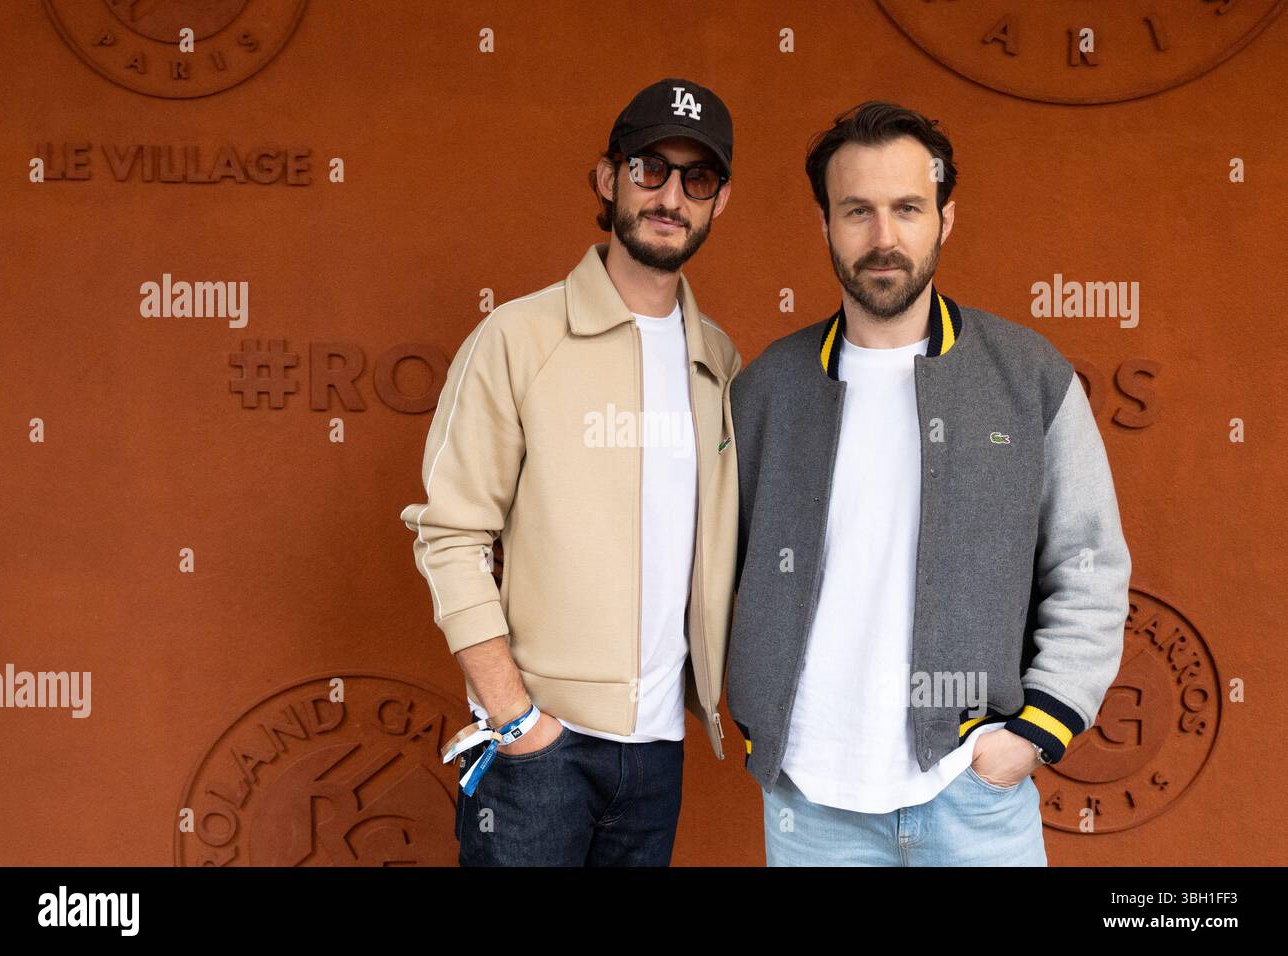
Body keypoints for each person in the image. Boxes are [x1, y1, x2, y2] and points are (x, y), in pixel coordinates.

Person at [726, 101, 1132, 866]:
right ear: (825, 226)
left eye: (908, 208)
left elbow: (1090, 565)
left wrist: (1034, 733)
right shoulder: (767, 390)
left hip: (972, 790)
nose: (884, 238)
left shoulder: (1027, 376)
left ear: (946, 217)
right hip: (810, 801)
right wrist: (753, 718)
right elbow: (702, 573)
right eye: (858, 212)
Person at [400, 77, 742, 866]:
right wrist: (516, 719)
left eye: (698, 179)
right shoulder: (519, 337)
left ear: (718, 202)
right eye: (650, 167)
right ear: (607, 177)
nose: (670, 196)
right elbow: (449, 534)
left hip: (658, 752)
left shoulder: (718, 361)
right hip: (540, 752)